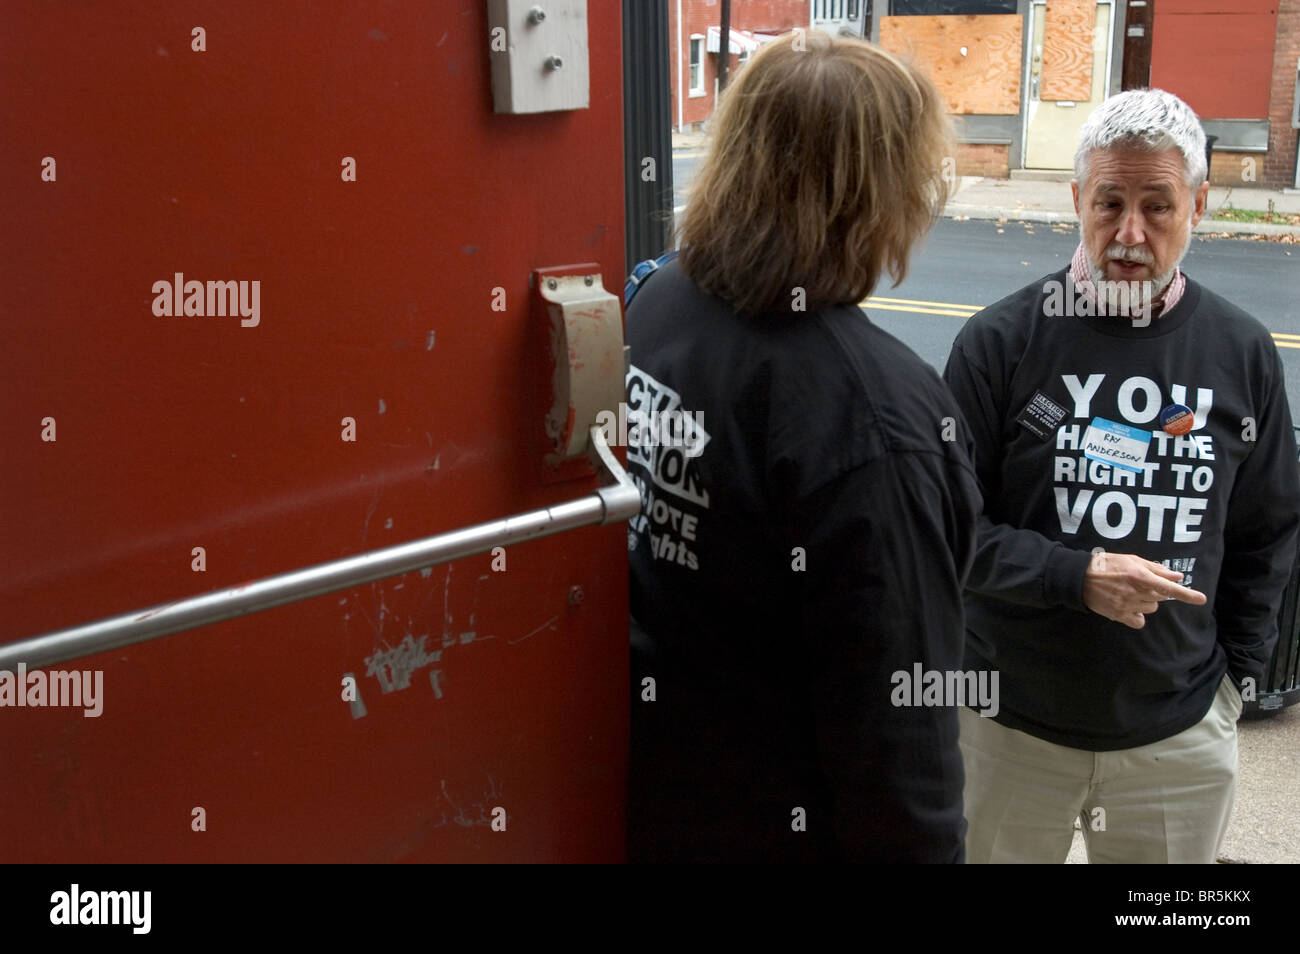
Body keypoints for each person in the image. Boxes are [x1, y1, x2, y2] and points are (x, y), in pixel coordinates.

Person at [624, 31, 983, 862]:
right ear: (880, 191)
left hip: (659, 788)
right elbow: (903, 736)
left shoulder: (662, 300)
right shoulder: (878, 422)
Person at [943, 88, 1300, 864]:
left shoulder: (1241, 352)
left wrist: (1231, 682)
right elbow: (947, 531)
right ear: (1076, 198)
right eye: (1108, 202)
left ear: (1200, 205)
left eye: (1157, 206)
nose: (1129, 233)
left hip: (1177, 740)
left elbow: (1267, 529)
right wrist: (1076, 575)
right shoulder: (999, 344)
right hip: (1010, 728)